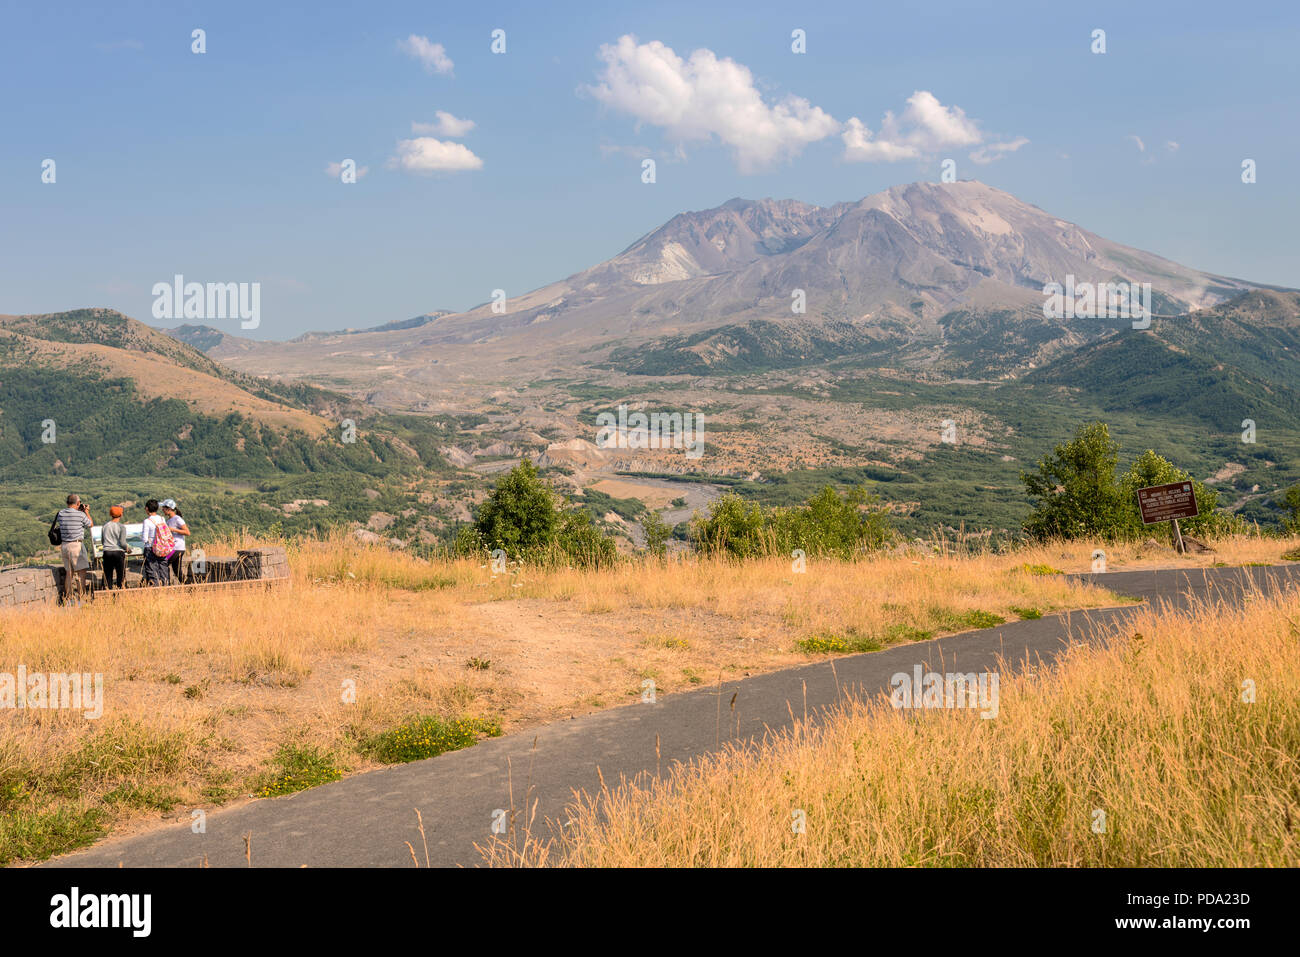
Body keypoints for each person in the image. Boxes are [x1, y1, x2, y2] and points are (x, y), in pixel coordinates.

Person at [55, 493, 94, 603]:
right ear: (77, 503)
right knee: (81, 573)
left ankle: (69, 599)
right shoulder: (80, 515)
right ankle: (81, 599)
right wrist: (86, 511)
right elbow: (90, 524)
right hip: (76, 545)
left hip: (64, 545)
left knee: (69, 573)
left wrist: (79, 510)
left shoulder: (61, 514)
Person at [140, 499, 172, 586]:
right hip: (162, 547)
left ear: (147, 509)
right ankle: (166, 587)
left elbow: (144, 538)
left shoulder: (147, 521)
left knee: (152, 570)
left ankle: (156, 589)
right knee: (163, 568)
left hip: (150, 548)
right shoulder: (162, 519)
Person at [160, 499, 190, 584]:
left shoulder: (177, 519)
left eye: (164, 508)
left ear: (169, 509)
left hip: (176, 548)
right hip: (176, 548)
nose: (162, 510)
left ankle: (166, 585)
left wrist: (172, 529)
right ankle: (189, 586)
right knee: (177, 570)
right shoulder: (169, 520)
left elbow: (187, 532)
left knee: (163, 563)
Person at [101, 505, 129, 590]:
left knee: (107, 575)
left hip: (107, 552)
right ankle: (120, 592)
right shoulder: (121, 527)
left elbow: (103, 541)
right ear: (121, 515)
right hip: (118, 552)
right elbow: (122, 542)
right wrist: (128, 549)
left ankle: (107, 592)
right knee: (120, 574)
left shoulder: (105, 526)